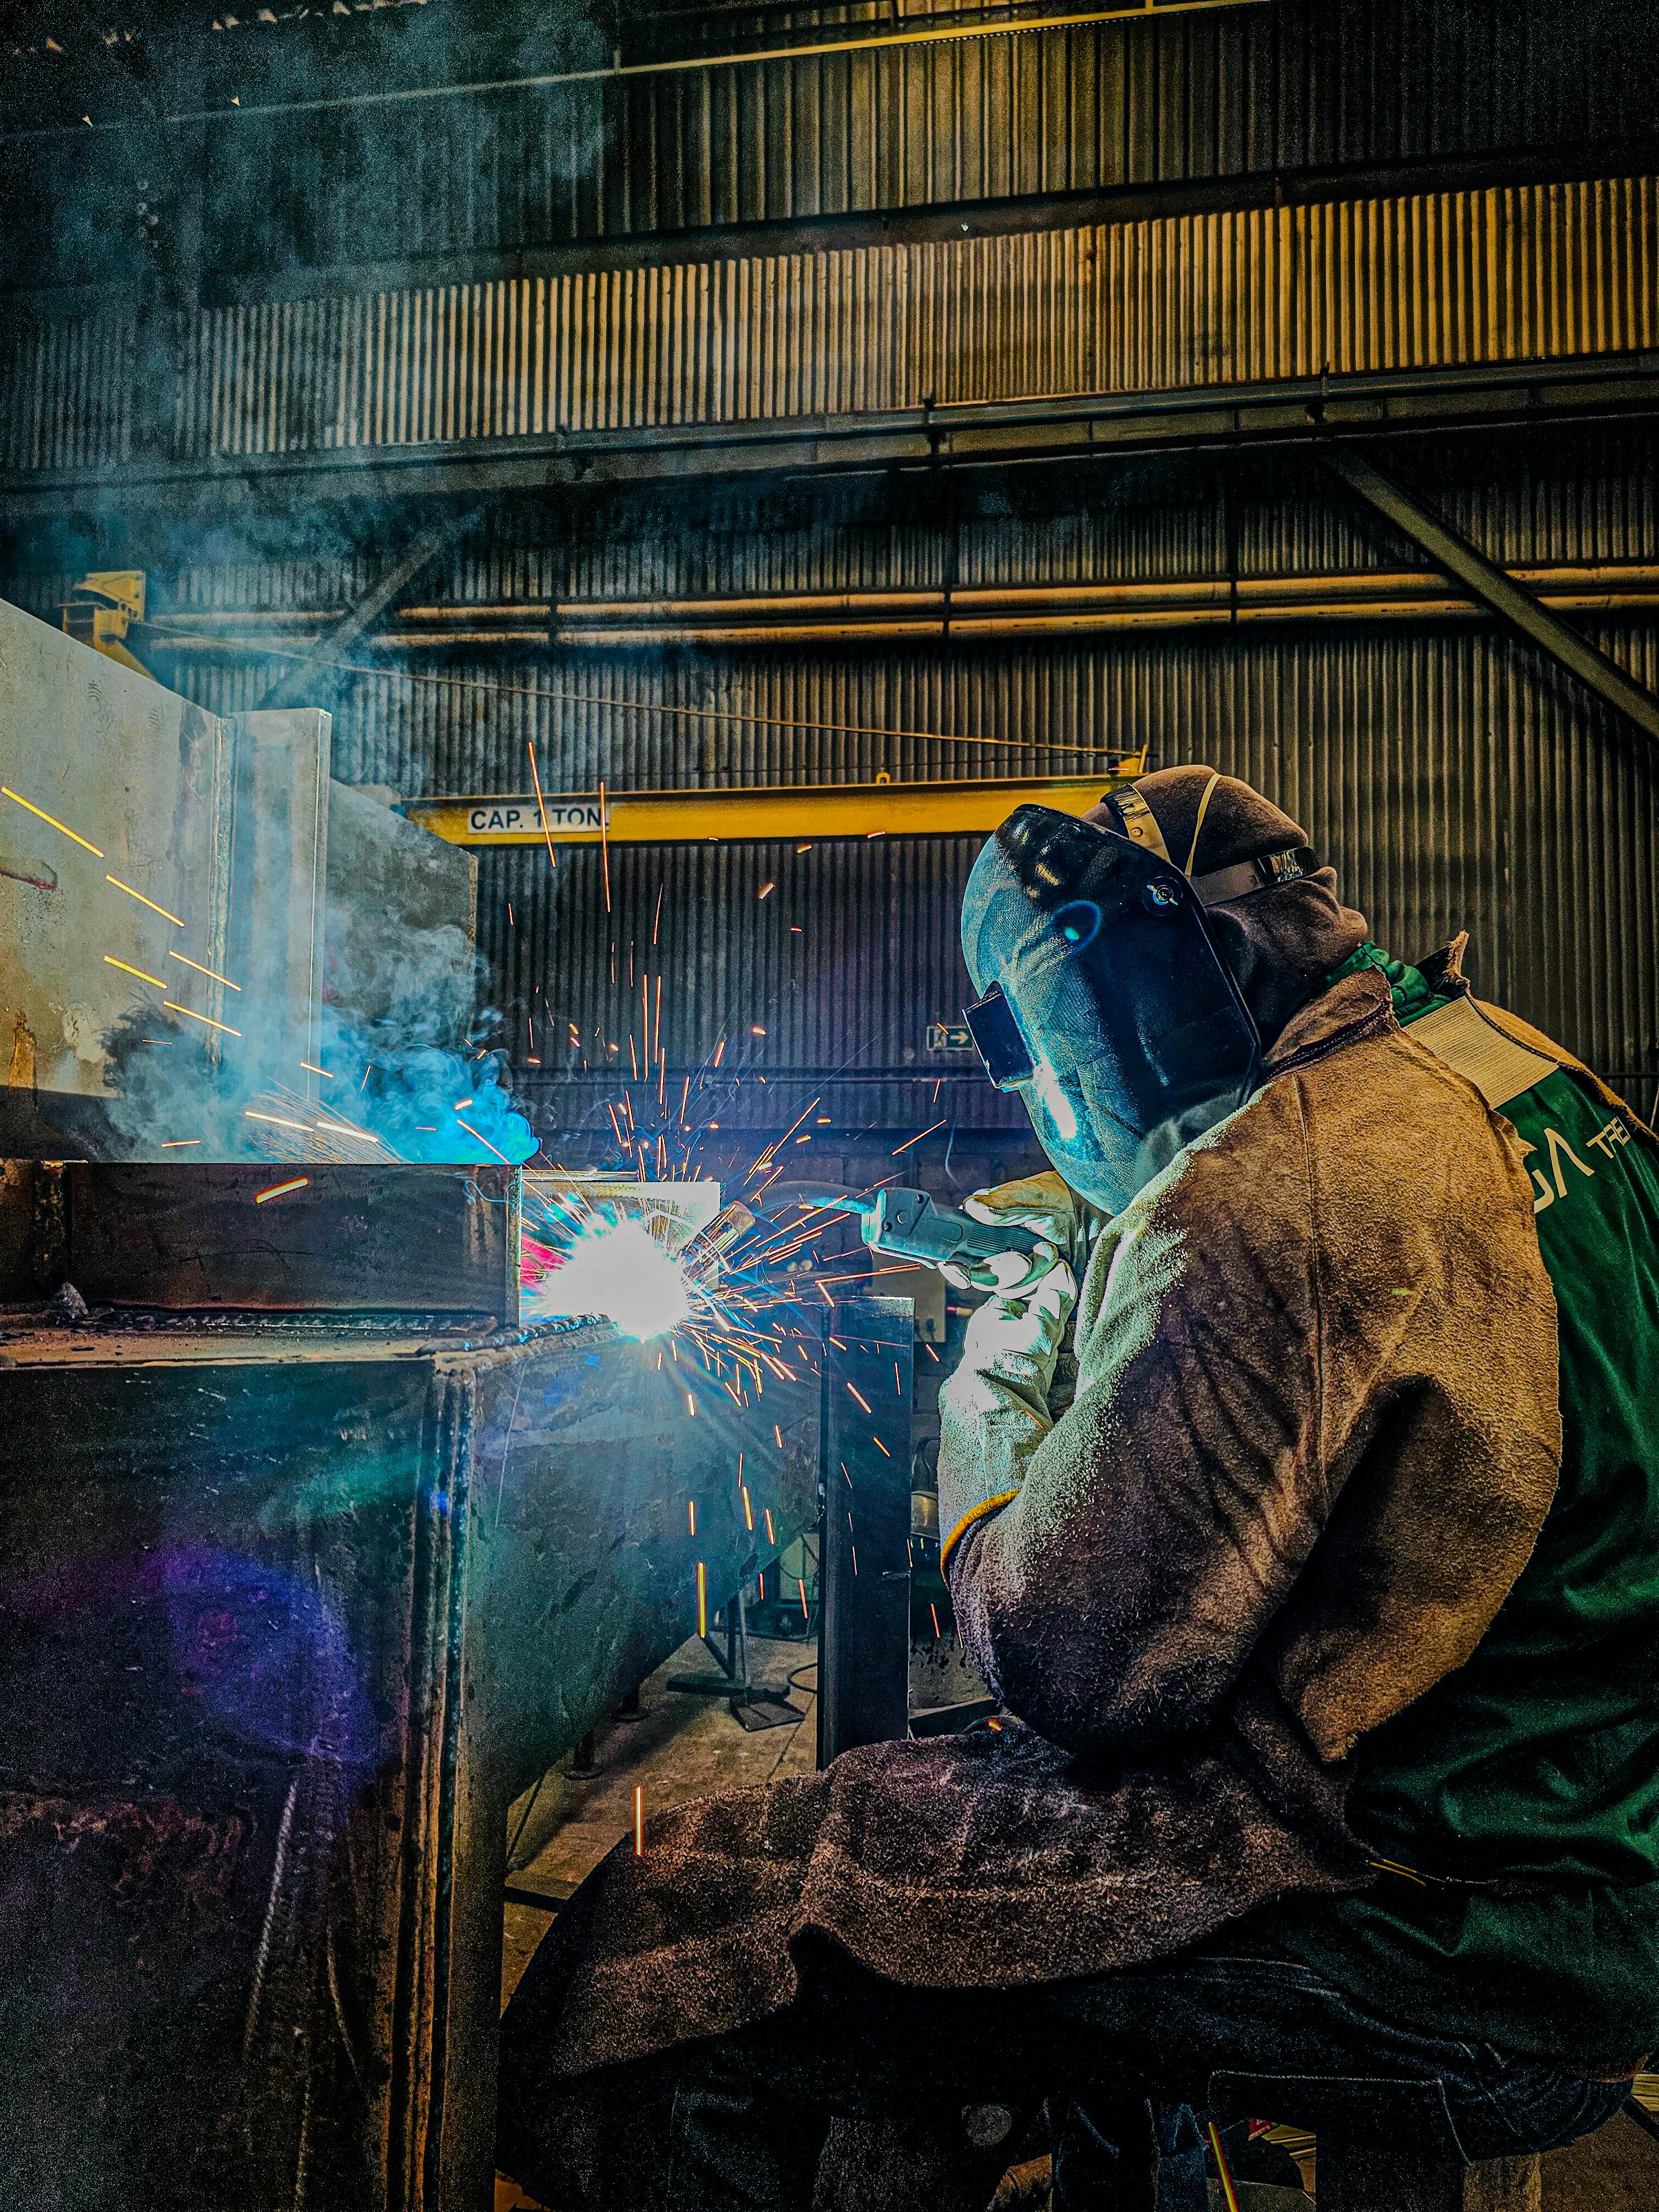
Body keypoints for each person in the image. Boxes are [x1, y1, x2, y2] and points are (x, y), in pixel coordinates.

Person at [498, 767, 1659, 2211]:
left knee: (674, 1941)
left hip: (1411, 1925)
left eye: (1048, 1051)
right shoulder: (1505, 1069)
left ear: (1151, 992)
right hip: (1597, 1865)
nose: (1053, 1099)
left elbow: (1071, 1666)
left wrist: (997, 1377)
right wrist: (1092, 1250)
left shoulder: (1268, 1188)